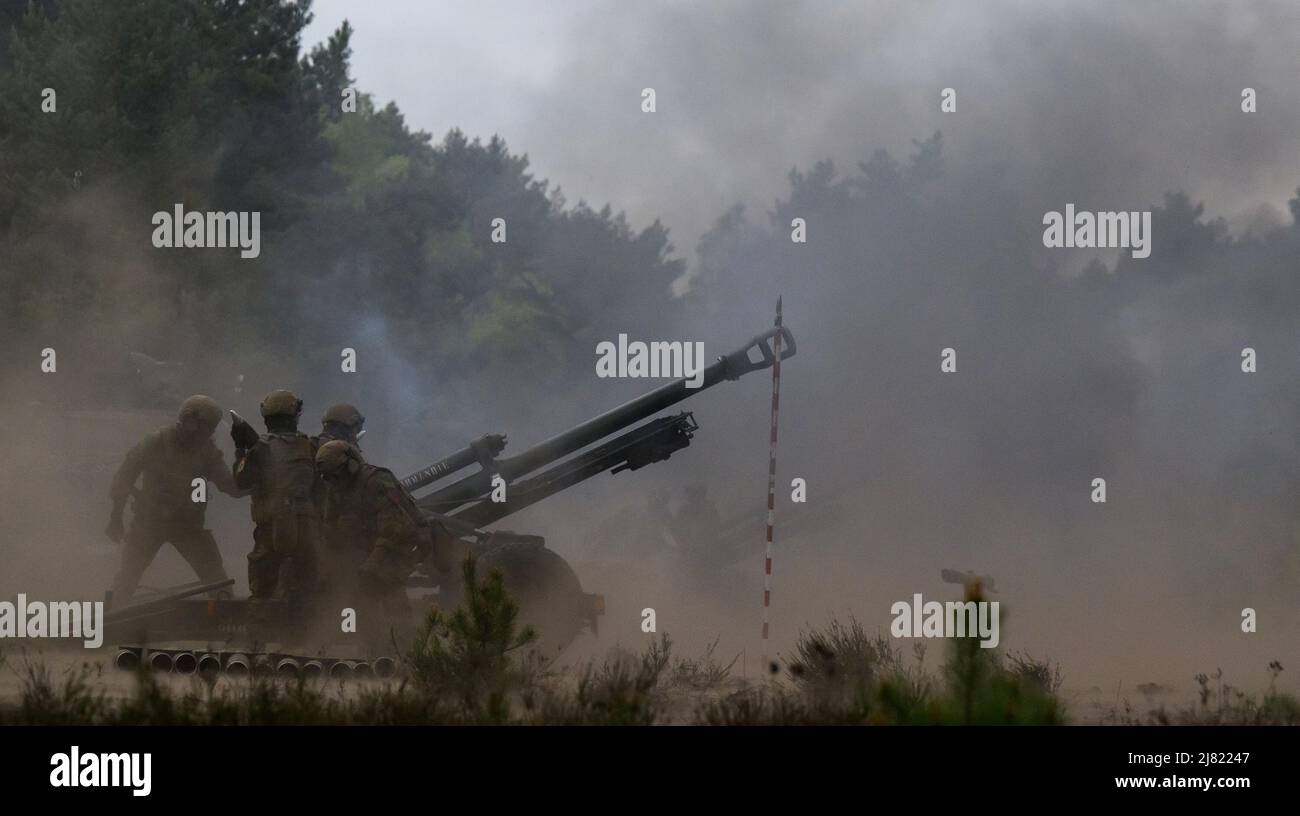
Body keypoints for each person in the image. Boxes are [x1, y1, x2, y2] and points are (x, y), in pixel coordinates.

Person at [106, 395, 242, 605]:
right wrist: (116, 516)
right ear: (190, 422)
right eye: (207, 428)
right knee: (127, 578)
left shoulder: (207, 451)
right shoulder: (155, 442)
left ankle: (228, 618)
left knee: (216, 579)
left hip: (188, 526)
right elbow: (124, 478)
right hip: (149, 523)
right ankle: (112, 619)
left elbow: (232, 487)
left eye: (211, 429)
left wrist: (250, 466)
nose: (209, 434)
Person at [314, 440, 431, 643]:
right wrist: (328, 567)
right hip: (366, 547)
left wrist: (372, 563)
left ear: (350, 465)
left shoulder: (376, 480)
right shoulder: (336, 487)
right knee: (354, 596)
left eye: (335, 475)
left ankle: (405, 647)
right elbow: (330, 529)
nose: (332, 480)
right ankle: (366, 646)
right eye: (328, 477)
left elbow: (394, 529)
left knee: (389, 592)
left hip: (396, 545)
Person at [231, 389, 320, 628]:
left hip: (269, 529)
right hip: (306, 530)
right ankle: (304, 643)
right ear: (295, 415)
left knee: (262, 591)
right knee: (306, 589)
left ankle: (255, 646)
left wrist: (240, 450)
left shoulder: (258, 449)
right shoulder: (310, 446)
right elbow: (321, 488)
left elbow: (241, 481)